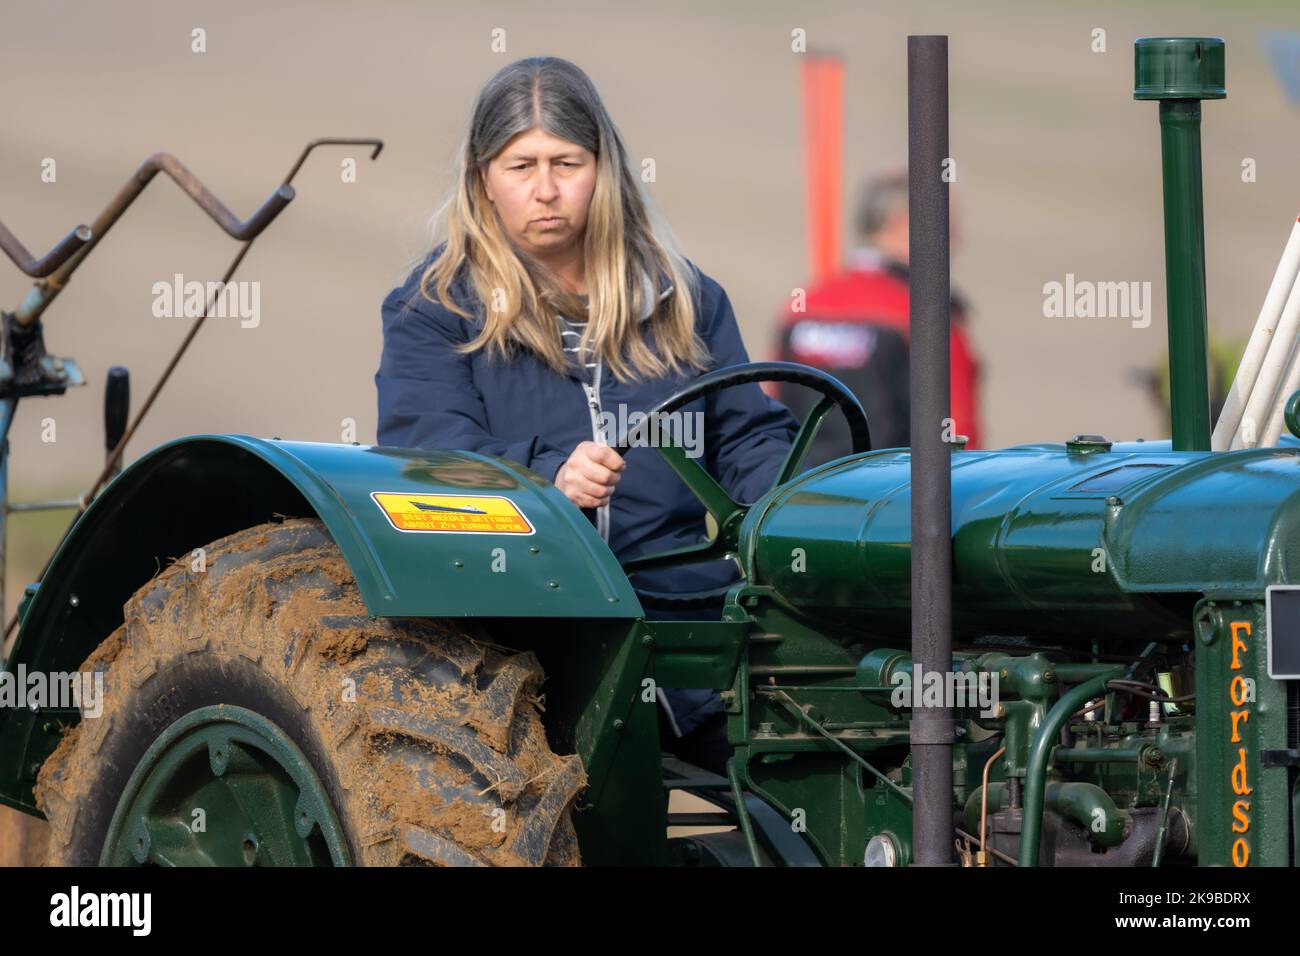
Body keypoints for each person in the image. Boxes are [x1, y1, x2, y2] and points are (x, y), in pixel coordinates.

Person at [374, 56, 798, 775]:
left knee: (817, 774)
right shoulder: (433, 308)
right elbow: (430, 456)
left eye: (567, 162)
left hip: (689, 624)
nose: (546, 190)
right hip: (521, 638)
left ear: (605, 170)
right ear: (483, 179)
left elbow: (750, 438)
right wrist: (545, 477)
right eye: (521, 166)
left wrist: (796, 509)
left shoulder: (684, 299)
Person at [772, 169, 982, 464]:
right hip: (893, 503)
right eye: (947, 223)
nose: (957, 238)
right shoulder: (926, 314)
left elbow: (770, 414)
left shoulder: (804, 305)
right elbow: (959, 437)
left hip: (804, 499)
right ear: (904, 222)